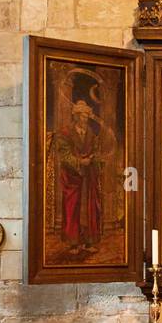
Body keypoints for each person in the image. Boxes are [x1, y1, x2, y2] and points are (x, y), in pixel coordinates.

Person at [50, 99, 103, 254]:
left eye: (87, 116)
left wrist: (94, 159)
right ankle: (73, 243)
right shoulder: (65, 132)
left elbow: (95, 149)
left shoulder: (91, 133)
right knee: (72, 208)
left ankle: (88, 242)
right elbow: (64, 155)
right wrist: (80, 162)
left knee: (90, 208)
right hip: (72, 177)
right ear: (77, 116)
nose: (85, 119)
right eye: (83, 116)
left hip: (88, 176)